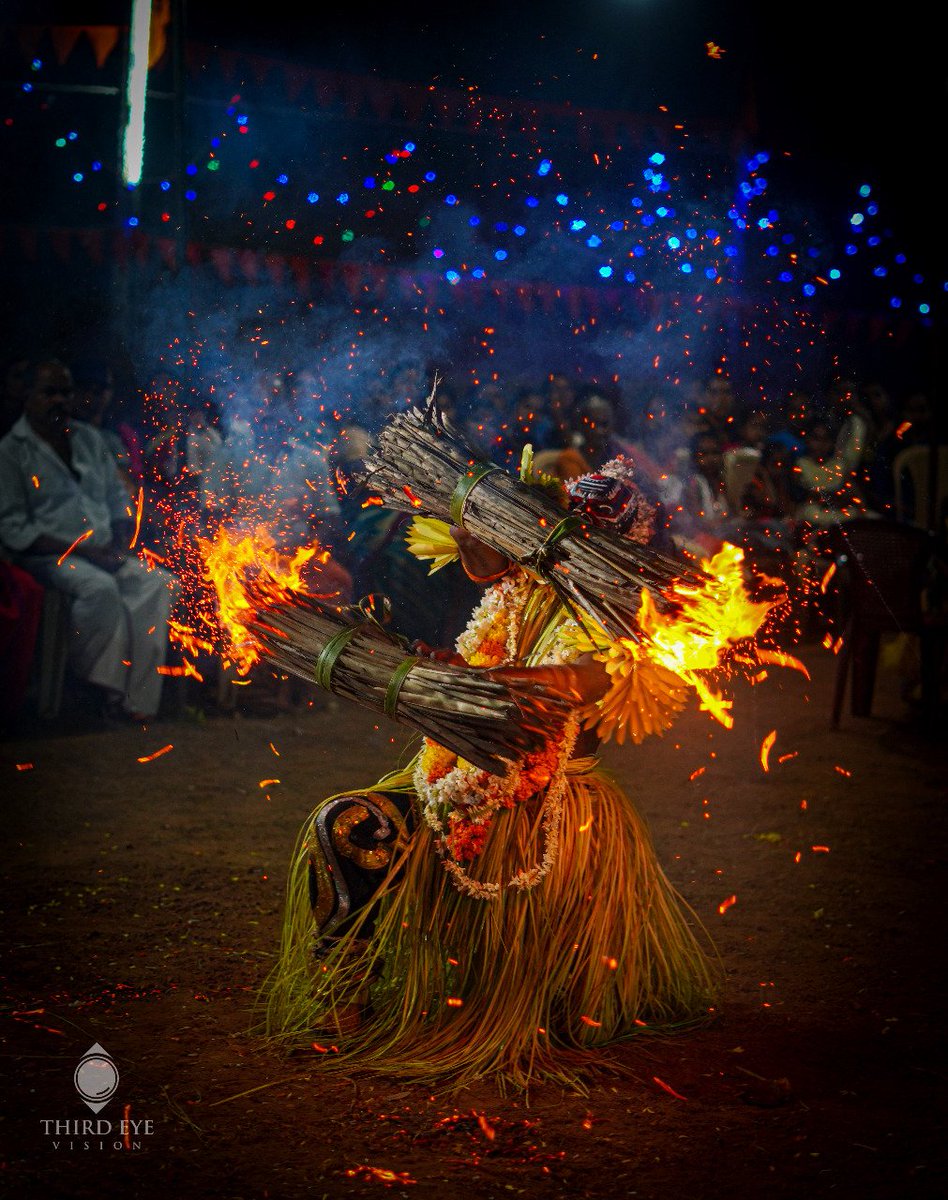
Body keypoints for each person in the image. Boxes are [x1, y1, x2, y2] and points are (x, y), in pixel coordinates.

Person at [264, 457, 718, 1089]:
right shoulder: (523, 586)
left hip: (551, 816)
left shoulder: (630, 623)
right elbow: (480, 572)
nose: (560, 545)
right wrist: (469, 518)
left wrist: (477, 680)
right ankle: (343, 996)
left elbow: (571, 681)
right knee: (347, 825)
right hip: (458, 783)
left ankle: (516, 1005)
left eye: (582, 535)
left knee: (513, 927)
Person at [0, 358, 175, 721]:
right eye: (49, 392)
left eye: (65, 392)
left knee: (157, 583)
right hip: (50, 557)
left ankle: (137, 704)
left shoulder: (89, 440)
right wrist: (85, 550)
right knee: (99, 589)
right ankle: (99, 691)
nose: (60, 400)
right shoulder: (11, 451)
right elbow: (14, 528)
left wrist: (120, 545)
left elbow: (118, 499)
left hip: (103, 552)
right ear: (27, 396)